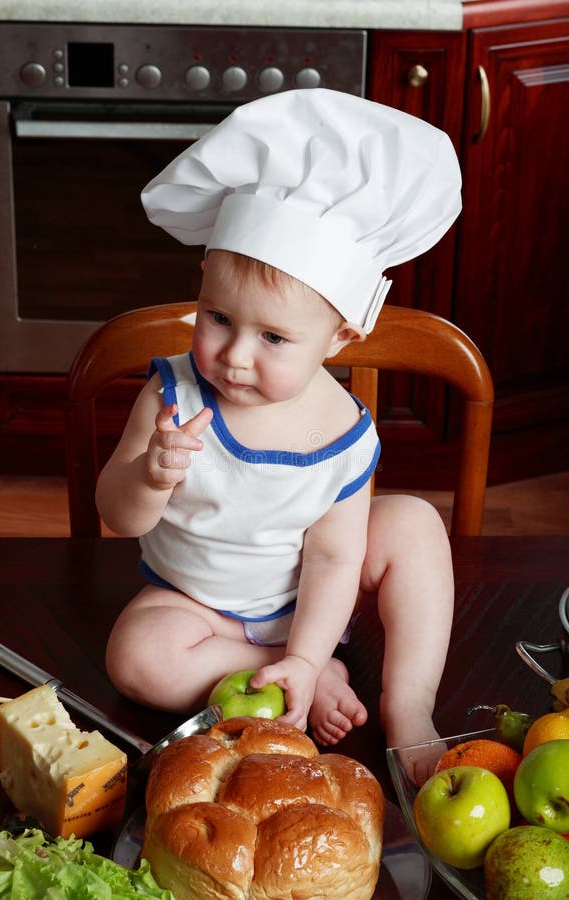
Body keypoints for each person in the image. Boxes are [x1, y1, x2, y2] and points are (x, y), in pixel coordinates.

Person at [97, 89, 461, 773]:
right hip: (197, 606)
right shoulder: (172, 395)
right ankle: (289, 671)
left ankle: (408, 703)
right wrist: (150, 476)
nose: (235, 355)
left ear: (341, 335)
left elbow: (331, 558)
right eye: (217, 319)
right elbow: (114, 515)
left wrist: (311, 642)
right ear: (202, 284)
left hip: (318, 598)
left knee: (413, 524)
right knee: (135, 659)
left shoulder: (344, 432)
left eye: (273, 336)